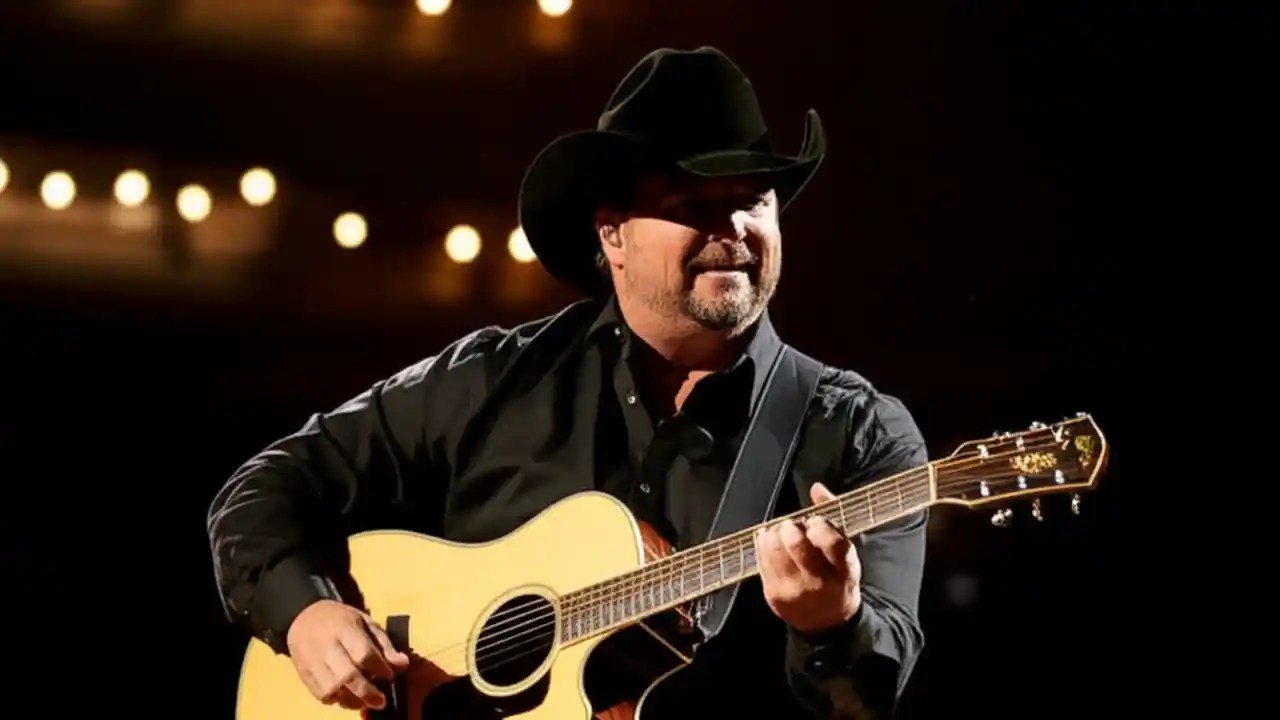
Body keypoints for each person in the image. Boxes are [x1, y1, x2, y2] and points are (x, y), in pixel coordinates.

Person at [207, 46, 929, 719]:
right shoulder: (496, 378)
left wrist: (832, 623)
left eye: (755, 200)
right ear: (612, 235)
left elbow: (866, 698)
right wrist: (306, 612)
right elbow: (264, 488)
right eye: (692, 206)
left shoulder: (857, 431)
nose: (734, 228)